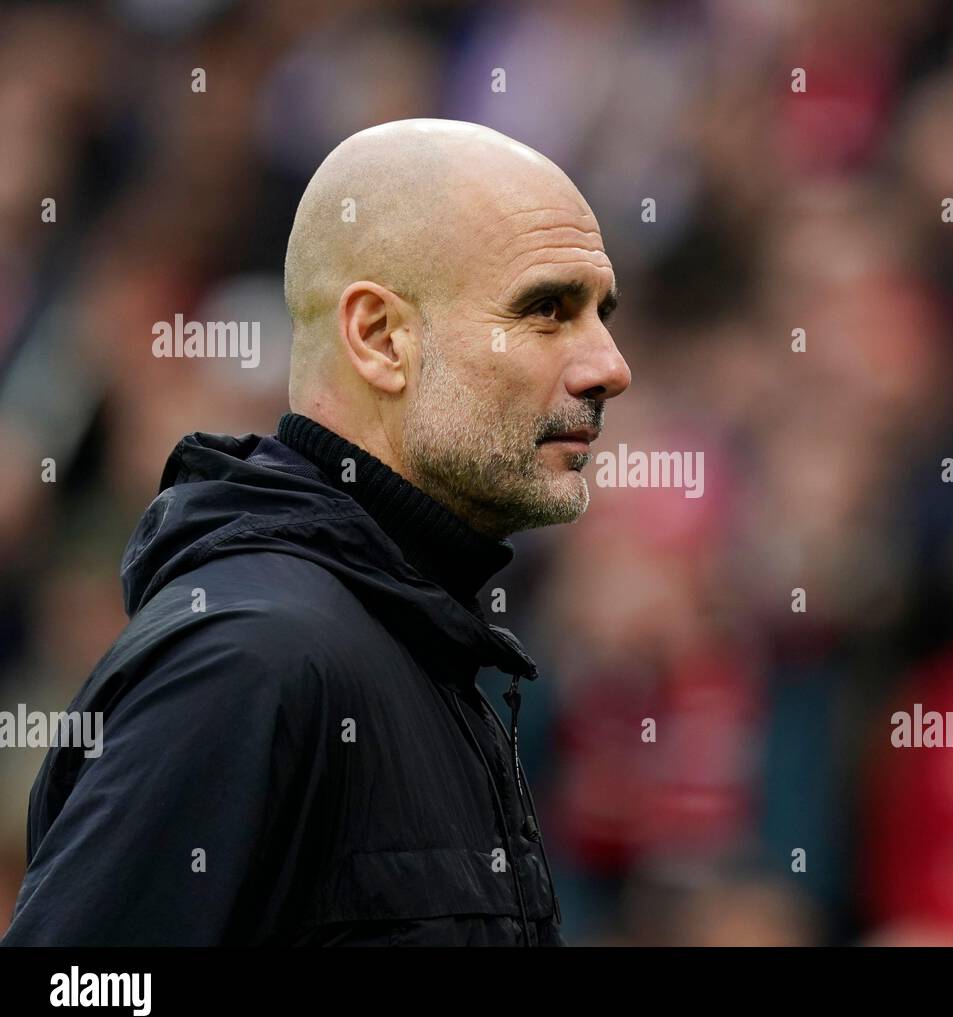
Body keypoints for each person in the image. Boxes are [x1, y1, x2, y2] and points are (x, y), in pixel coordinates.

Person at [2, 119, 631, 946]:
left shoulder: (417, 640)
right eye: (547, 310)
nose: (609, 366)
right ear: (377, 338)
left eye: (601, 312)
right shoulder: (251, 660)